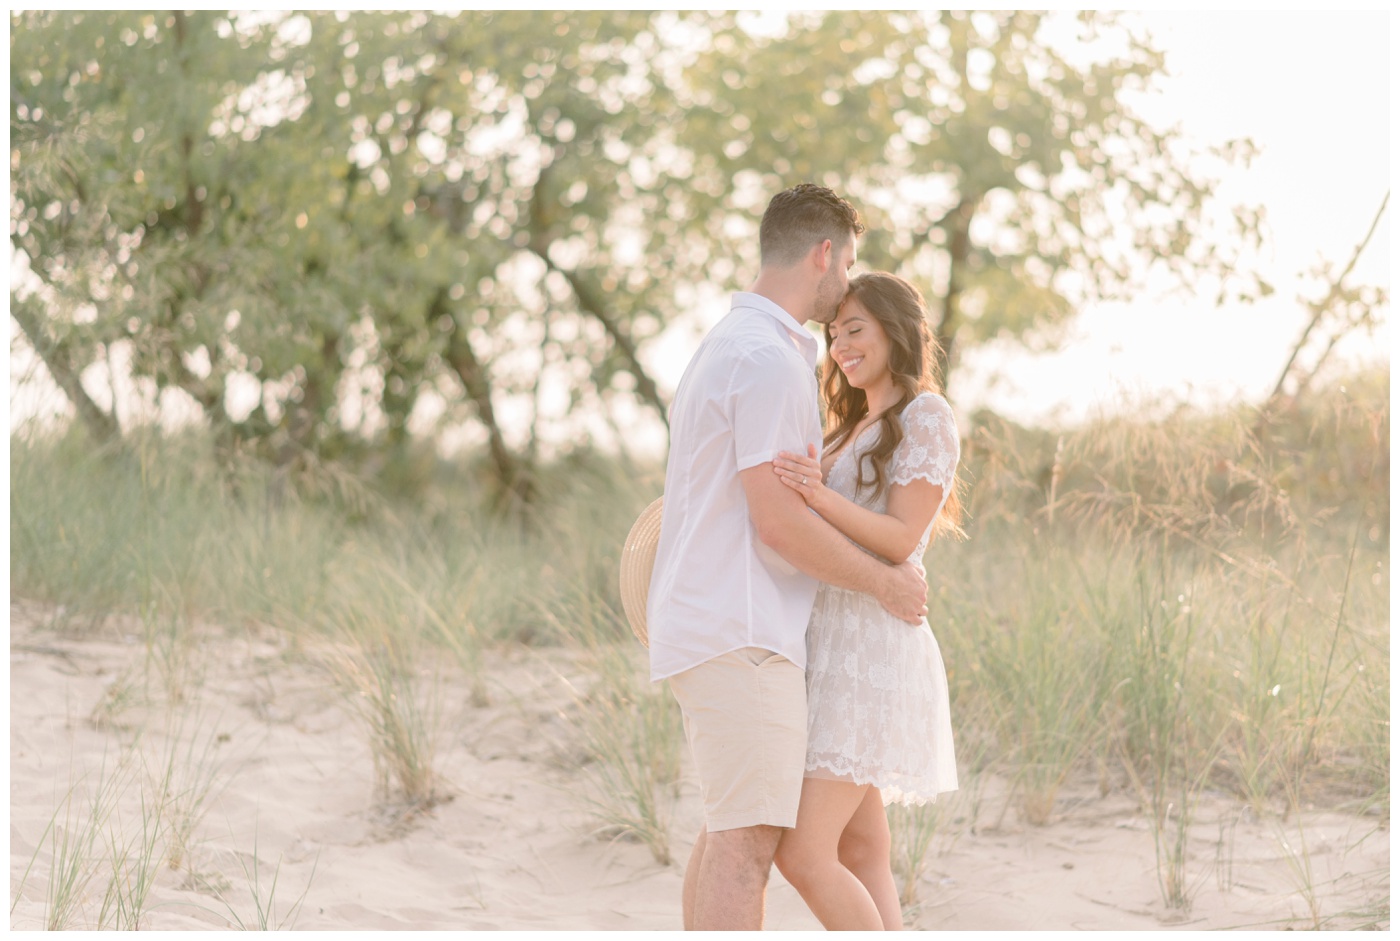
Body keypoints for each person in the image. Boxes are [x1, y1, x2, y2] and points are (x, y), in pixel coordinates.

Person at [646, 185, 931, 932]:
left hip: (721, 626)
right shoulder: (769, 359)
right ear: (825, 253)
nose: (844, 287)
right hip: (743, 633)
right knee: (745, 847)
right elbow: (778, 522)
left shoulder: (724, 345)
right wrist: (887, 584)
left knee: (726, 833)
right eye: (848, 265)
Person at [769, 271, 963, 931]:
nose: (841, 345)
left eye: (855, 328)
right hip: (833, 644)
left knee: (803, 850)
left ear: (895, 328)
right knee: (859, 846)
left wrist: (819, 494)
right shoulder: (851, 423)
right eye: (833, 333)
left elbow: (904, 537)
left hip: (872, 648)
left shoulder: (924, 414)